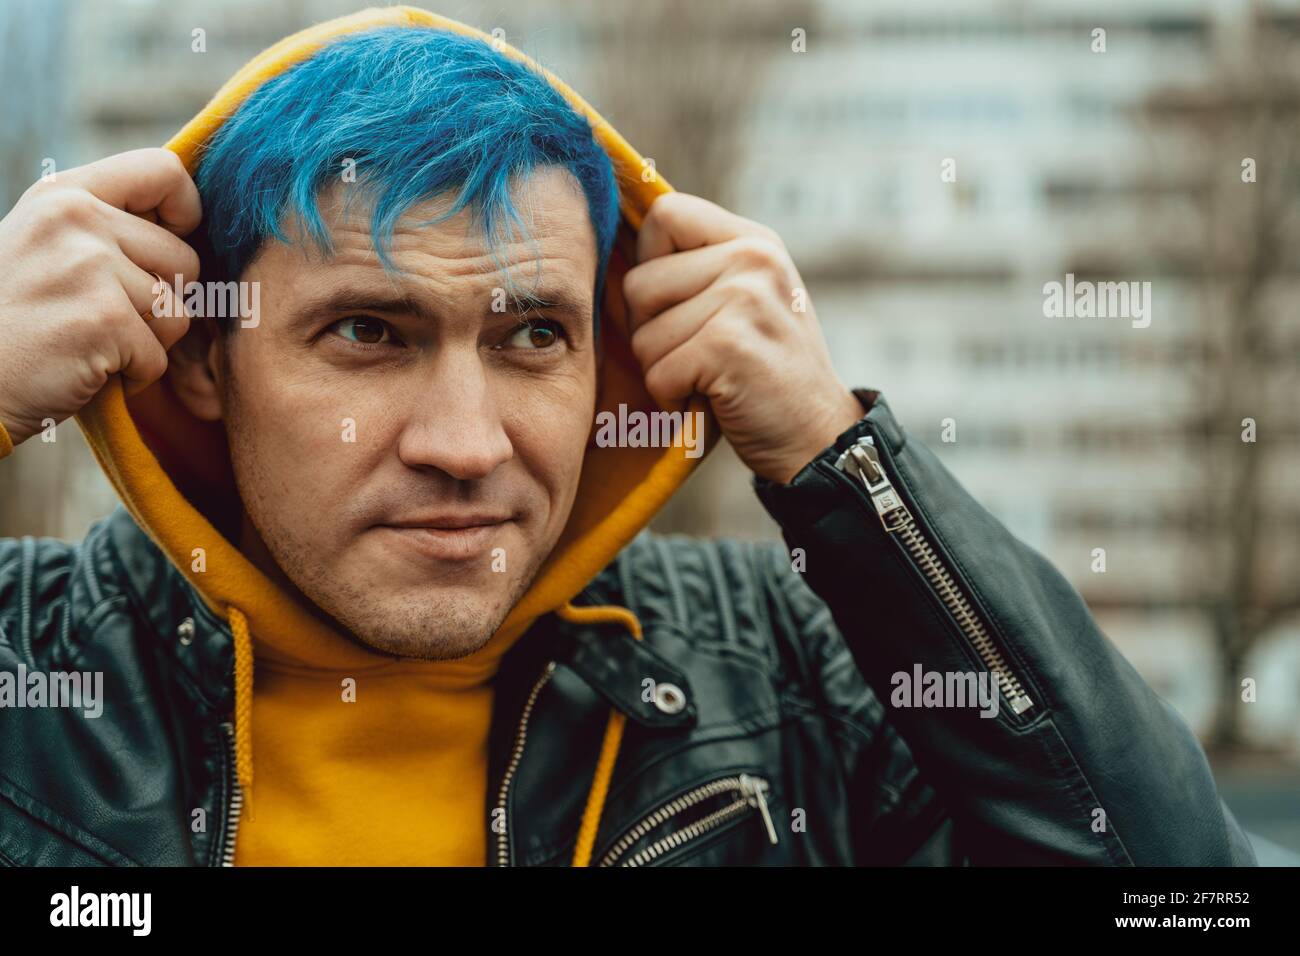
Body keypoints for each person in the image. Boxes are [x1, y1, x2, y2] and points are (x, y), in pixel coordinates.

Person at [0, 7, 1255, 866]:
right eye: (370, 333)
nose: (464, 441)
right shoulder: (34, 669)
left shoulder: (786, 665)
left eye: (530, 335)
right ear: (204, 358)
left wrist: (839, 456)